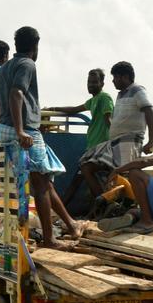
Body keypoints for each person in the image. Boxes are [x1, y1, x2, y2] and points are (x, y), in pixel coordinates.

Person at [0, 25, 84, 248]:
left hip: (5, 128)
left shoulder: (3, 69)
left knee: (43, 180)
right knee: (41, 185)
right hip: (24, 130)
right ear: (36, 46)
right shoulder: (27, 64)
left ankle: (72, 225)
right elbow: (17, 94)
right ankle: (49, 238)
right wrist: (20, 130)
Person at [44, 68, 114, 203]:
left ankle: (104, 203)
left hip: (101, 147)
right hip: (92, 147)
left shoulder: (104, 98)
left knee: (84, 171)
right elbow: (75, 109)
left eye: (94, 82)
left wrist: (115, 143)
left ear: (102, 84)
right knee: (78, 178)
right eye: (89, 82)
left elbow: (109, 119)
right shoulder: (93, 100)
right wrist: (53, 109)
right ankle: (62, 210)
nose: (91, 85)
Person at [106, 61, 153, 167]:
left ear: (125, 77)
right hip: (115, 142)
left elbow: (149, 112)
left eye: (115, 77)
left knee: (124, 173)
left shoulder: (137, 90)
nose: (113, 81)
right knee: (89, 163)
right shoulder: (120, 95)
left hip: (128, 141)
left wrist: (151, 140)